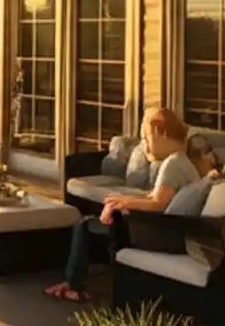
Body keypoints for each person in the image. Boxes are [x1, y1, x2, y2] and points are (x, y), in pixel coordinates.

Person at [45, 108, 198, 302]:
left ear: (160, 132)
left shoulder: (173, 165)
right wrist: (123, 203)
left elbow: (158, 204)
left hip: (165, 235)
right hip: (173, 231)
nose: (144, 146)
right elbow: (157, 198)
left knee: (85, 224)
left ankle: (73, 284)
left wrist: (122, 202)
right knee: (100, 220)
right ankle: (79, 280)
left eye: (145, 138)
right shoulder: (181, 161)